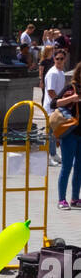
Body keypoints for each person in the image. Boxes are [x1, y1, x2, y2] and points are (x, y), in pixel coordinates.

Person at [55, 62, 81, 209]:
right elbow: (55, 103)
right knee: (66, 167)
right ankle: (61, 200)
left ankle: (75, 198)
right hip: (70, 133)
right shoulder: (70, 88)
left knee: (79, 168)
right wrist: (71, 99)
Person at [44, 48, 68, 165]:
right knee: (50, 132)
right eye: (57, 58)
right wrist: (59, 103)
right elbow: (51, 91)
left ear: (65, 59)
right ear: (54, 59)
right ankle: (47, 156)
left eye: (61, 59)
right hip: (51, 107)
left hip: (57, 106)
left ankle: (53, 154)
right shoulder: (53, 73)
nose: (59, 61)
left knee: (54, 133)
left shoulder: (61, 72)